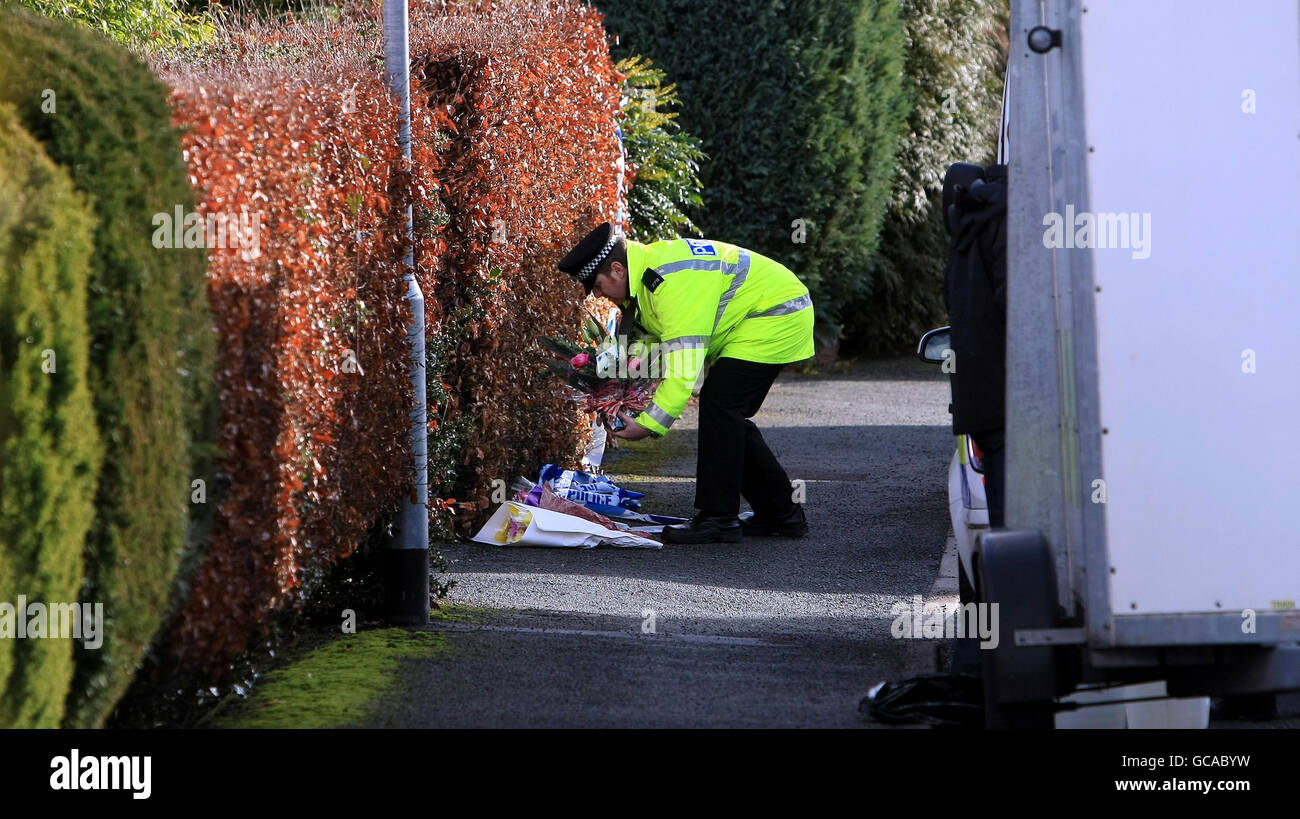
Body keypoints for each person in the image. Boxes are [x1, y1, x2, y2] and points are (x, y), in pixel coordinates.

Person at [557, 223, 814, 544]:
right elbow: (652, 345)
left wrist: (649, 424)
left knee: (721, 407)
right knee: (726, 414)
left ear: (617, 269)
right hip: (762, 316)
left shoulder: (668, 284)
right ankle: (781, 514)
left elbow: (683, 367)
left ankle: (719, 519)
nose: (596, 294)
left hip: (776, 315)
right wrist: (613, 389)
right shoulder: (647, 279)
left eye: (596, 284)